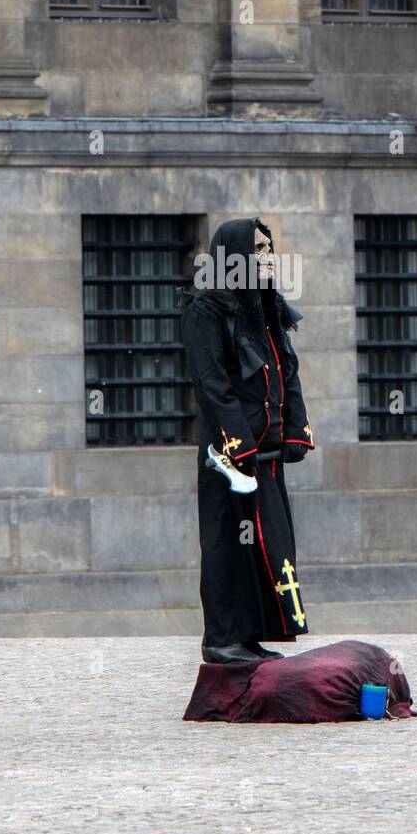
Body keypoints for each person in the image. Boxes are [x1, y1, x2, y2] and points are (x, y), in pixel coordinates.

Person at [180, 217, 316, 664]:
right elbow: (211, 382)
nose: (269, 257)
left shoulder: (265, 305)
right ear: (234, 256)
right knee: (228, 543)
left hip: (267, 454)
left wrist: (295, 430)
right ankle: (223, 639)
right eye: (258, 250)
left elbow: (285, 371)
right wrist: (240, 441)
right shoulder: (206, 309)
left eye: (270, 248)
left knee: (266, 543)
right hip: (230, 456)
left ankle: (251, 632)